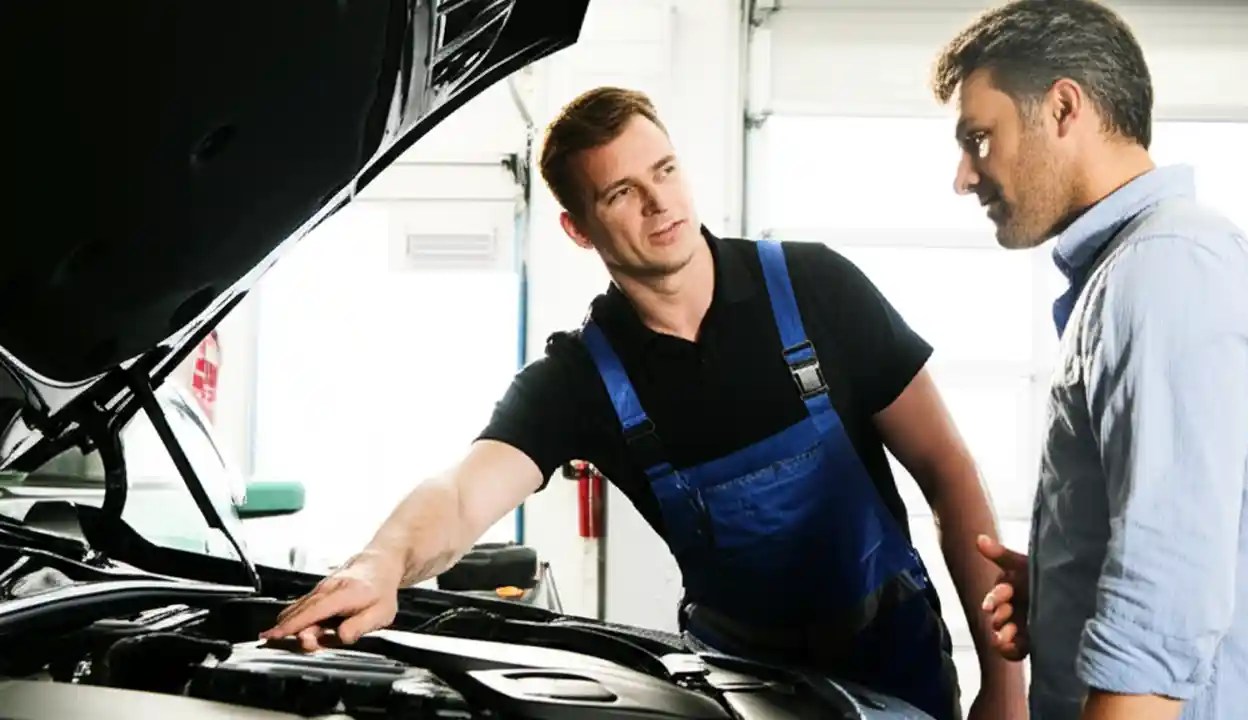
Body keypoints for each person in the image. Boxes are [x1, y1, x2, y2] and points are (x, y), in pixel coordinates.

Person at [261, 86, 1027, 720]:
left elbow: (947, 470)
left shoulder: (817, 286)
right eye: (622, 192)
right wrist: (380, 563)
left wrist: (1004, 684)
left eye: (665, 170)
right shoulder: (581, 378)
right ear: (578, 228)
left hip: (898, 670)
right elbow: (462, 493)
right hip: (745, 694)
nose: (660, 203)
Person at [931, 1, 1248, 719]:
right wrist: (1064, 585)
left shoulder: (1165, 268)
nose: (964, 177)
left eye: (979, 138)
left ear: (1064, 108)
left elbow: (1163, 598)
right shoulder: (1146, 265)